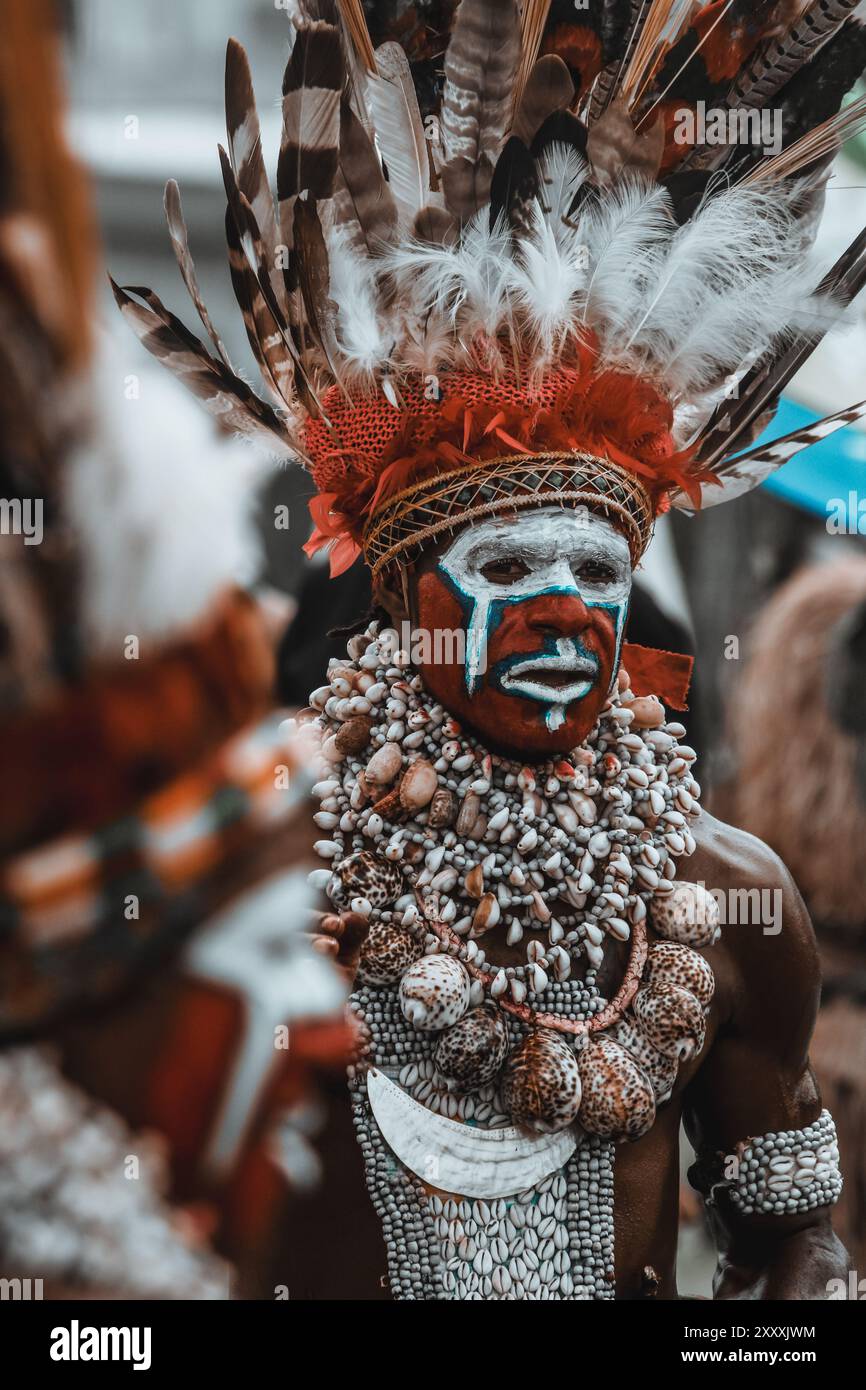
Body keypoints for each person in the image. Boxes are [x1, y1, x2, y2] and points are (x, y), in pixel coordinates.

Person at [118, 0, 866, 1300]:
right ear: (406, 592)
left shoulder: (724, 897)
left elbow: (791, 1243)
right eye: (508, 571)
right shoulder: (260, 885)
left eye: (596, 573)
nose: (565, 613)